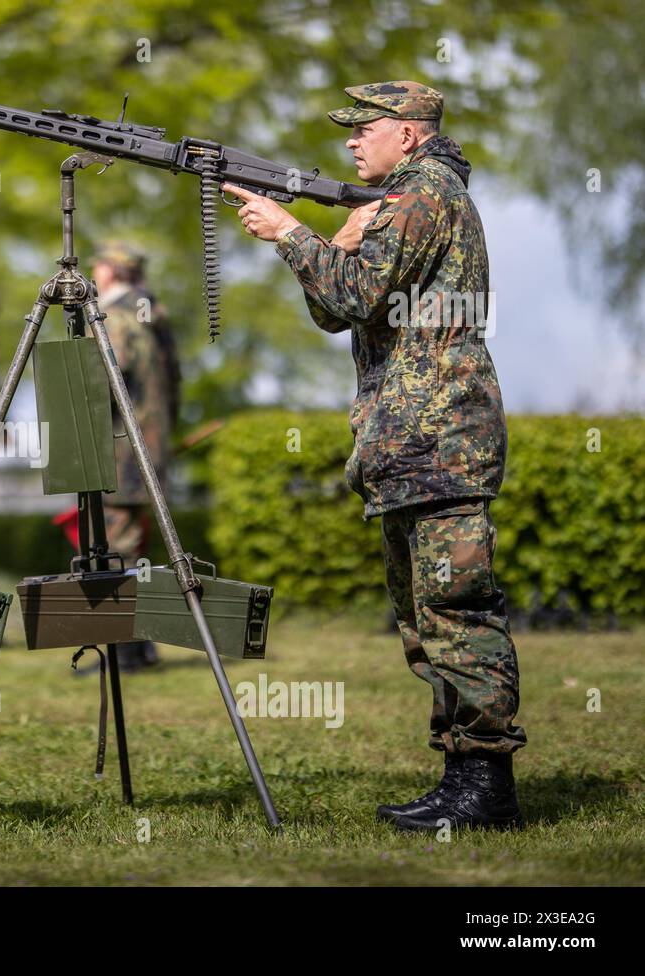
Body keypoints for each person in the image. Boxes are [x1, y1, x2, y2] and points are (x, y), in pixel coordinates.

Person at [223, 81, 525, 831]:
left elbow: (353, 296)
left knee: (457, 612)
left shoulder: (422, 196)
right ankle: (463, 777)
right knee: (427, 621)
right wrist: (332, 242)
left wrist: (292, 233)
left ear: (411, 136)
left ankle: (486, 787)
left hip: (438, 437)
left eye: (368, 130)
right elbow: (336, 308)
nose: (354, 142)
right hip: (409, 440)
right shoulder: (400, 203)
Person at [87, 241, 179, 673]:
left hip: (120, 445)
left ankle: (124, 652)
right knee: (137, 543)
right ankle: (141, 646)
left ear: (108, 271)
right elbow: (174, 384)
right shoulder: (152, 315)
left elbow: (103, 382)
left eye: (98, 263)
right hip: (149, 444)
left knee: (116, 544)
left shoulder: (114, 316)